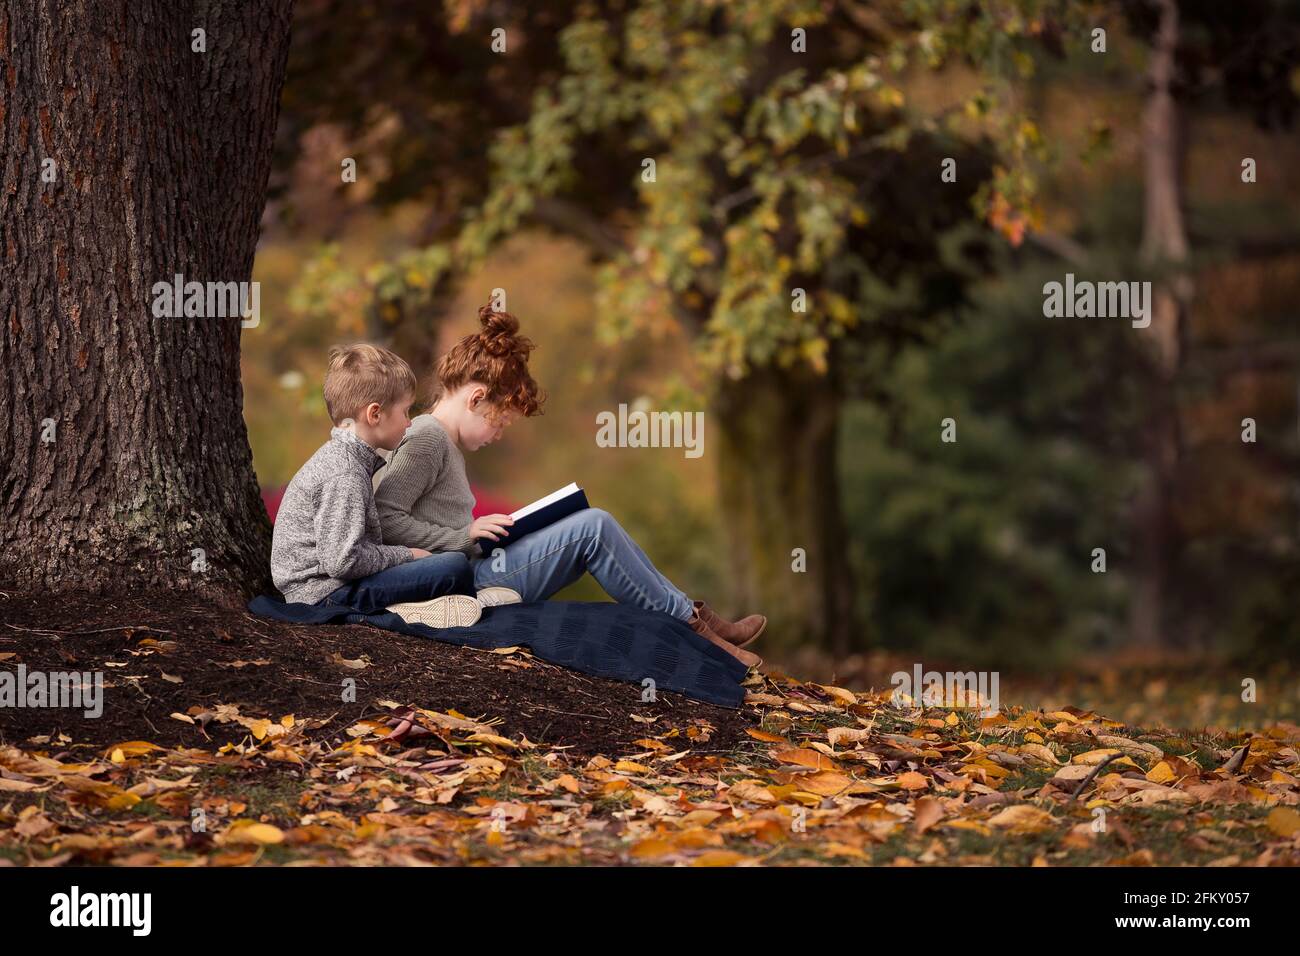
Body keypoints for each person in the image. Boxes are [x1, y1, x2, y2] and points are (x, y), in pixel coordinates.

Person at [374, 303, 765, 669]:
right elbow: (383, 520)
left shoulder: (442, 443)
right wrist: (465, 535)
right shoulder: (426, 438)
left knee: (592, 522)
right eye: (501, 419)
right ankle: (694, 626)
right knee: (593, 527)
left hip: (475, 566)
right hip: (466, 582)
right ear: (476, 398)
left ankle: (695, 617)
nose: (500, 433)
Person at [270, 343, 508, 628]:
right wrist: (406, 555)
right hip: (326, 594)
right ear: (375, 414)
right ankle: (401, 613)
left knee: (447, 564)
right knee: (453, 565)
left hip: (337, 585)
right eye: (406, 412)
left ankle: (438, 603)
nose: (410, 423)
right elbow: (342, 562)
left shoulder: (349, 461)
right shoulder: (344, 473)